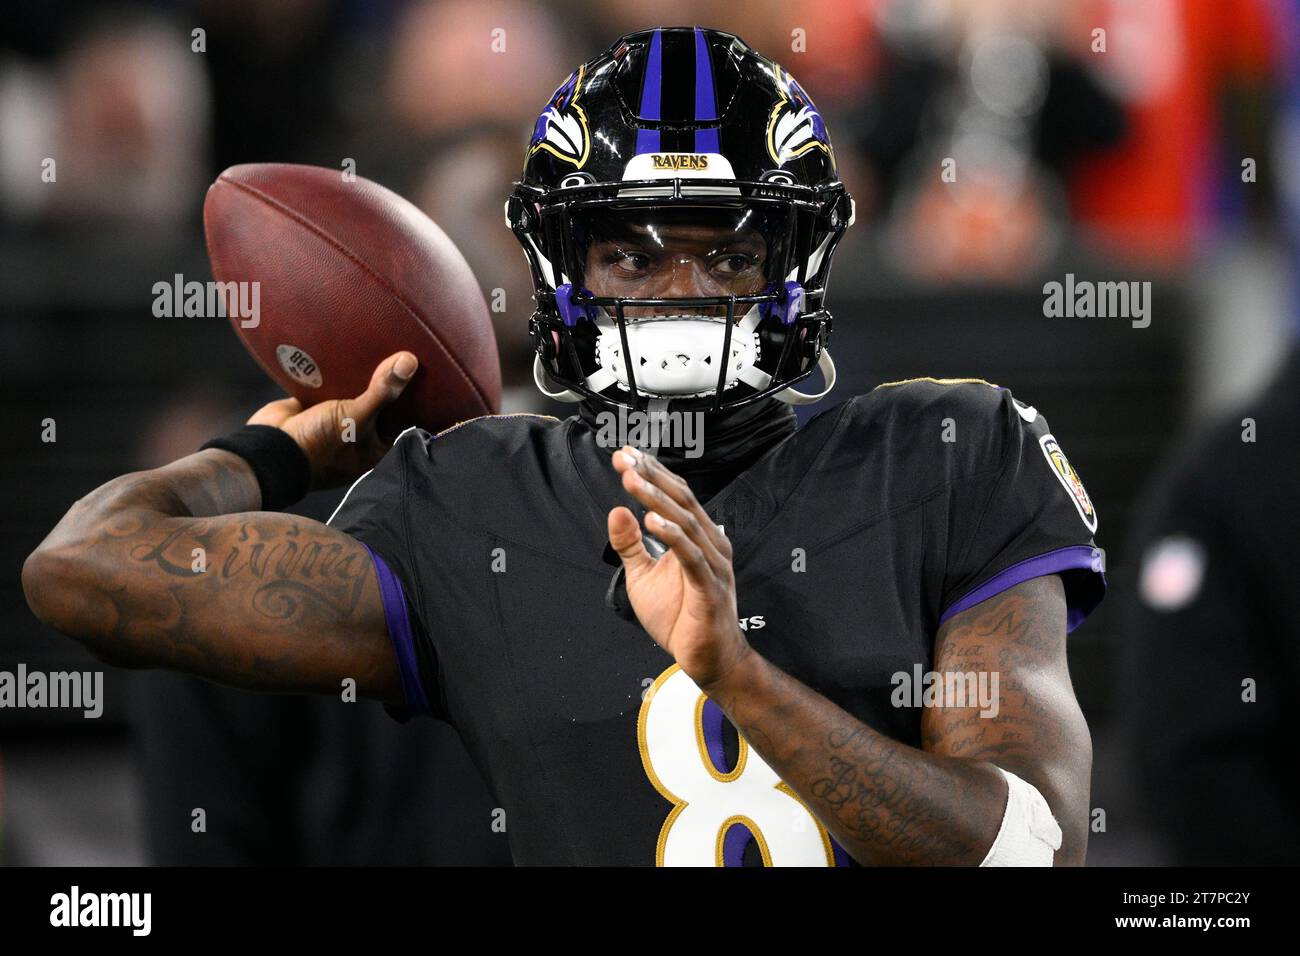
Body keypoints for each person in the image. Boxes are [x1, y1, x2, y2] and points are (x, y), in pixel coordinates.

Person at [21, 27, 1105, 866]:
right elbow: (78, 570)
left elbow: (1034, 844)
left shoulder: (949, 451)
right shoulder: (470, 497)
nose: (679, 288)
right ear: (558, 269)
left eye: (723, 251)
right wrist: (282, 452)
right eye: (629, 255)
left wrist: (742, 677)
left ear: (796, 260)